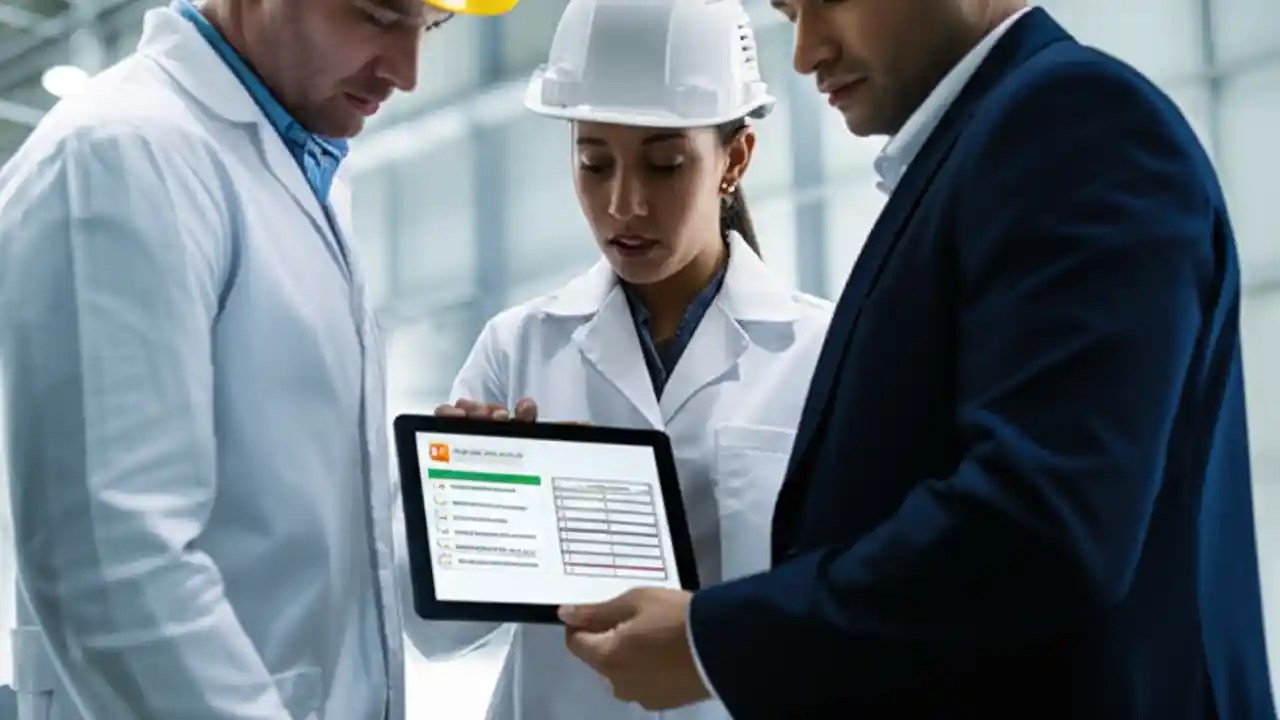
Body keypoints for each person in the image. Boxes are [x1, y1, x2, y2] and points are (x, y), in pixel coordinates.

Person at [556, 1, 1276, 718]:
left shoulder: (1073, 122)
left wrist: (712, 643)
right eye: (788, 14)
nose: (805, 54)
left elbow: (1041, 526)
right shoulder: (978, 153)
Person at [0, 0, 517, 717]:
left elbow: (307, 543)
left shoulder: (296, 173)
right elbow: (116, 566)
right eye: (377, 16)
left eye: (429, 27)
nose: (407, 71)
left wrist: (466, 525)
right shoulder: (122, 154)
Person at [408, 0, 833, 718]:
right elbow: (434, 635)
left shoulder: (823, 353)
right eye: (594, 163)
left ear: (735, 158)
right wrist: (475, 516)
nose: (624, 204)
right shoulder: (518, 348)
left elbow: (856, 609)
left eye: (665, 165)